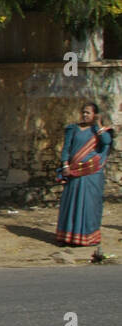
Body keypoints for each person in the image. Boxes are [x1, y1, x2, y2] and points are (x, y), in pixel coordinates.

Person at [55, 101, 114, 250]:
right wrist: (65, 165)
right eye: (84, 112)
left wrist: (99, 124)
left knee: (88, 204)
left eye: (88, 112)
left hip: (91, 174)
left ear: (95, 114)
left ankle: (87, 237)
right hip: (74, 172)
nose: (85, 115)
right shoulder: (73, 128)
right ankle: (68, 237)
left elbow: (107, 141)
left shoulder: (99, 131)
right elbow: (66, 148)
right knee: (71, 204)